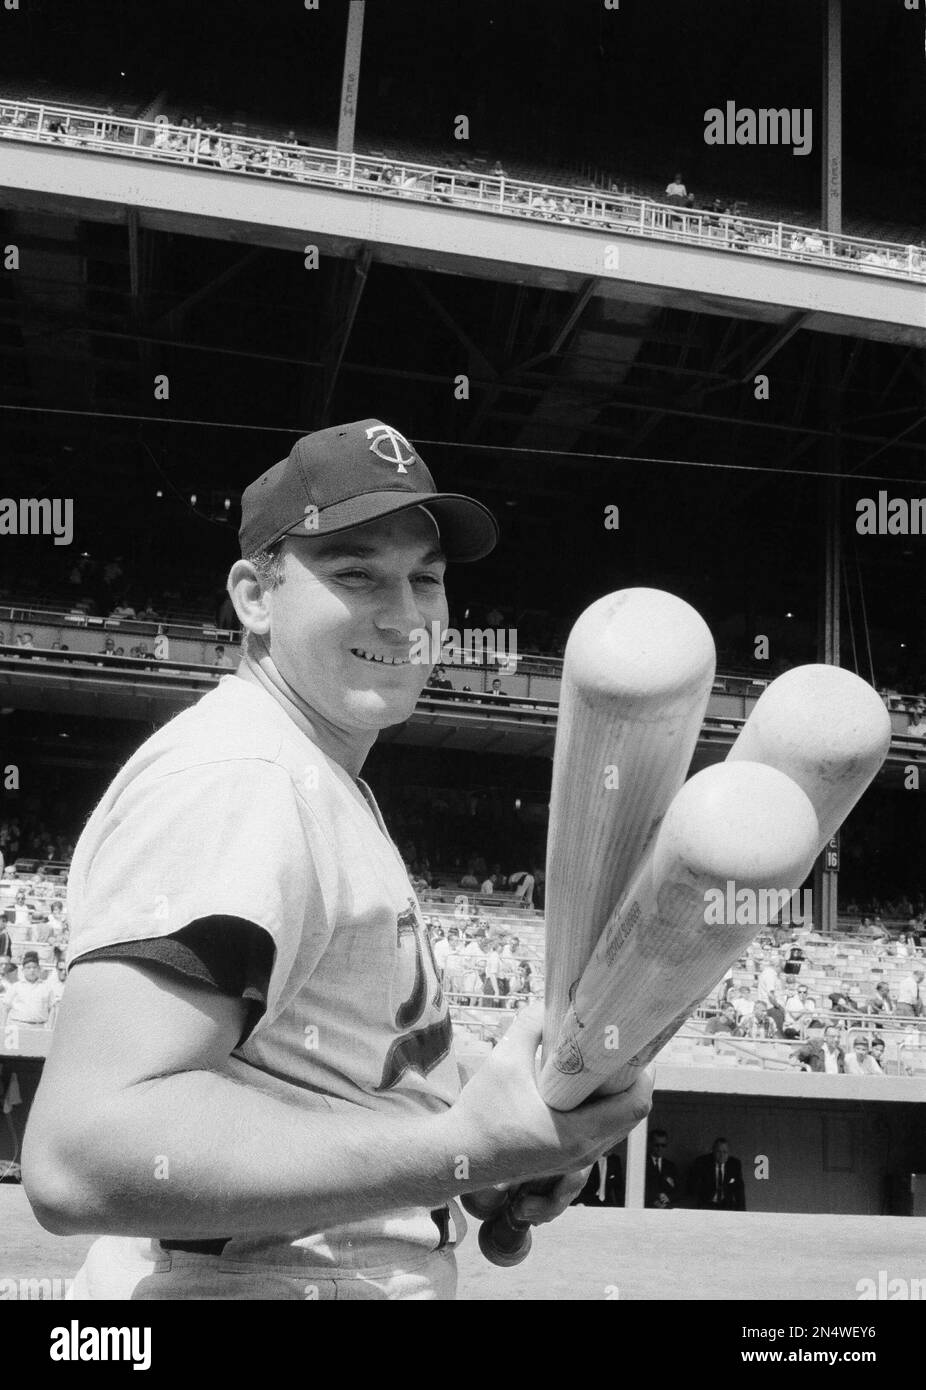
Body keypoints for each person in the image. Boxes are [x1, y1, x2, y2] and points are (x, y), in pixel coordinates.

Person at [23, 419, 653, 1301]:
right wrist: (461, 1147)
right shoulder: (244, 776)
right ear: (254, 594)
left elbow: (342, 1072)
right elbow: (83, 1153)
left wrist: (482, 1118)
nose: (404, 614)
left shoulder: (315, 776)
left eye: (425, 578)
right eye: (356, 572)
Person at [0, 950, 56, 1027]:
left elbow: (52, 1008)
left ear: (39, 969)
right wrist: (2, 1028)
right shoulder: (16, 986)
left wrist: (50, 1027)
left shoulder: (46, 987)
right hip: (18, 1025)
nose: (32, 970)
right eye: (28, 968)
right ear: (23, 970)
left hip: (39, 1027)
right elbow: (5, 1008)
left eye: (34, 967)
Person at [688, 1138, 745, 1211]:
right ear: (713, 1151)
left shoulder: (734, 1164)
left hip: (727, 1205)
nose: (722, 1155)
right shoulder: (702, 1162)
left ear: (729, 1153)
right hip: (706, 1204)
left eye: (725, 1152)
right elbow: (694, 1188)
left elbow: (739, 1189)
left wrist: (742, 1212)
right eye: (719, 1152)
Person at [572, 1143, 624, 1207]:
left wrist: (620, 1206)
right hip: (587, 1201)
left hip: (607, 1202)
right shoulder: (590, 1159)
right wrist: (578, 1202)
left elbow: (618, 1186)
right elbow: (579, 1183)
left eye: (612, 1146)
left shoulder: (615, 1160)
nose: (611, 1148)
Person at [644, 1128, 678, 1208]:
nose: (660, 1148)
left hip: (667, 1207)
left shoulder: (671, 1166)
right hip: (647, 1207)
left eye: (663, 1145)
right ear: (650, 1144)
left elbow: (679, 1189)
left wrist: (669, 1197)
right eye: (657, 1145)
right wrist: (653, 1201)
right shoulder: (642, 1163)